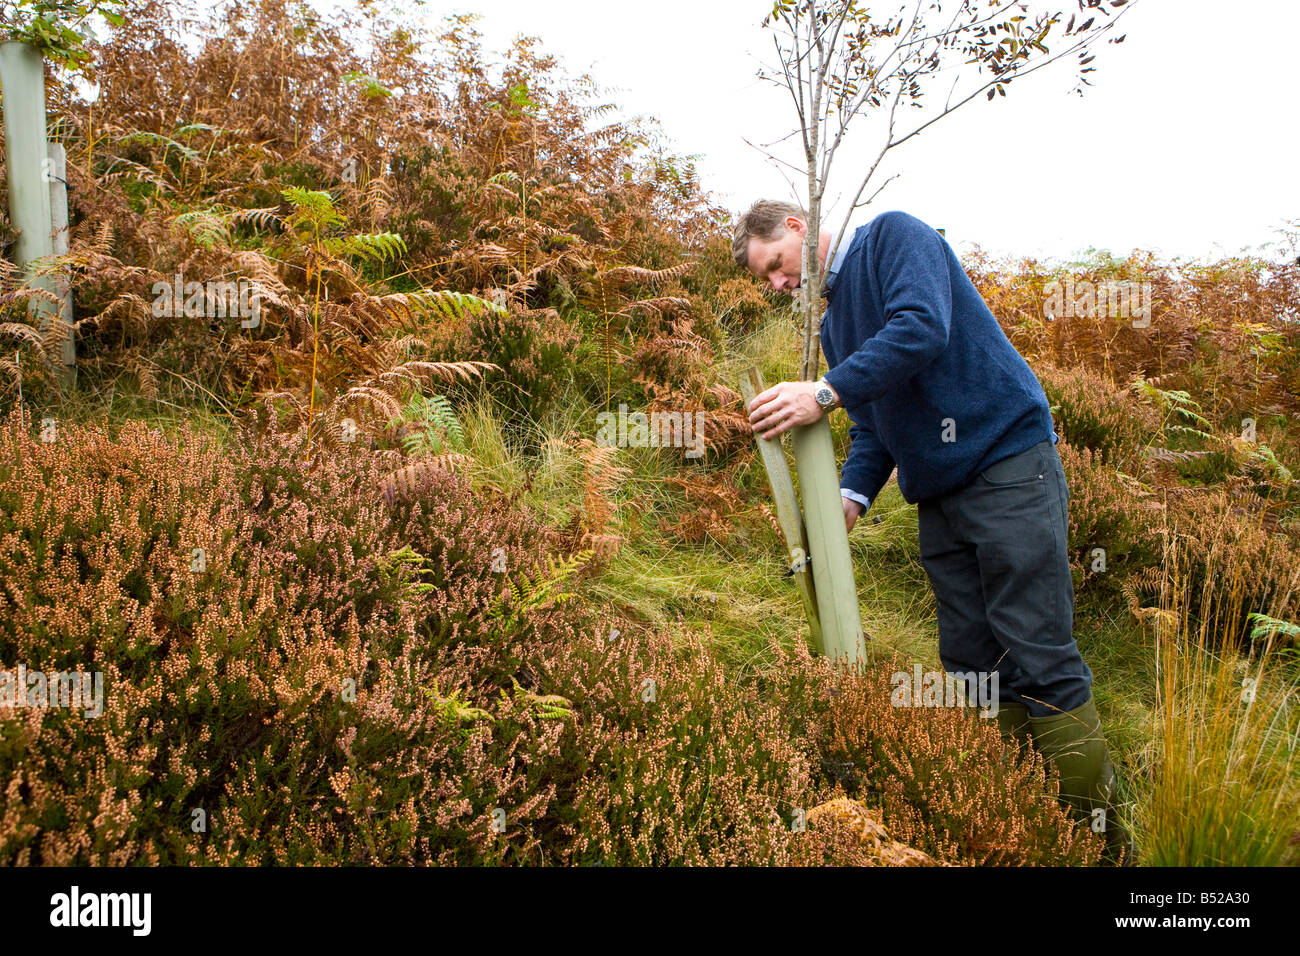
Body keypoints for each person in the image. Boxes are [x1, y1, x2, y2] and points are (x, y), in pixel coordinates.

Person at [733, 199, 1130, 862]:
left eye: (776, 265)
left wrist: (821, 393)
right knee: (974, 667)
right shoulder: (836, 332)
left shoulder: (895, 237)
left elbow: (922, 330)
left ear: (798, 229)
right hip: (939, 499)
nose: (778, 285)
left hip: (1007, 466)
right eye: (767, 281)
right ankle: (1024, 826)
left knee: (1039, 655)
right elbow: (873, 429)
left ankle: (1107, 842)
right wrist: (849, 500)